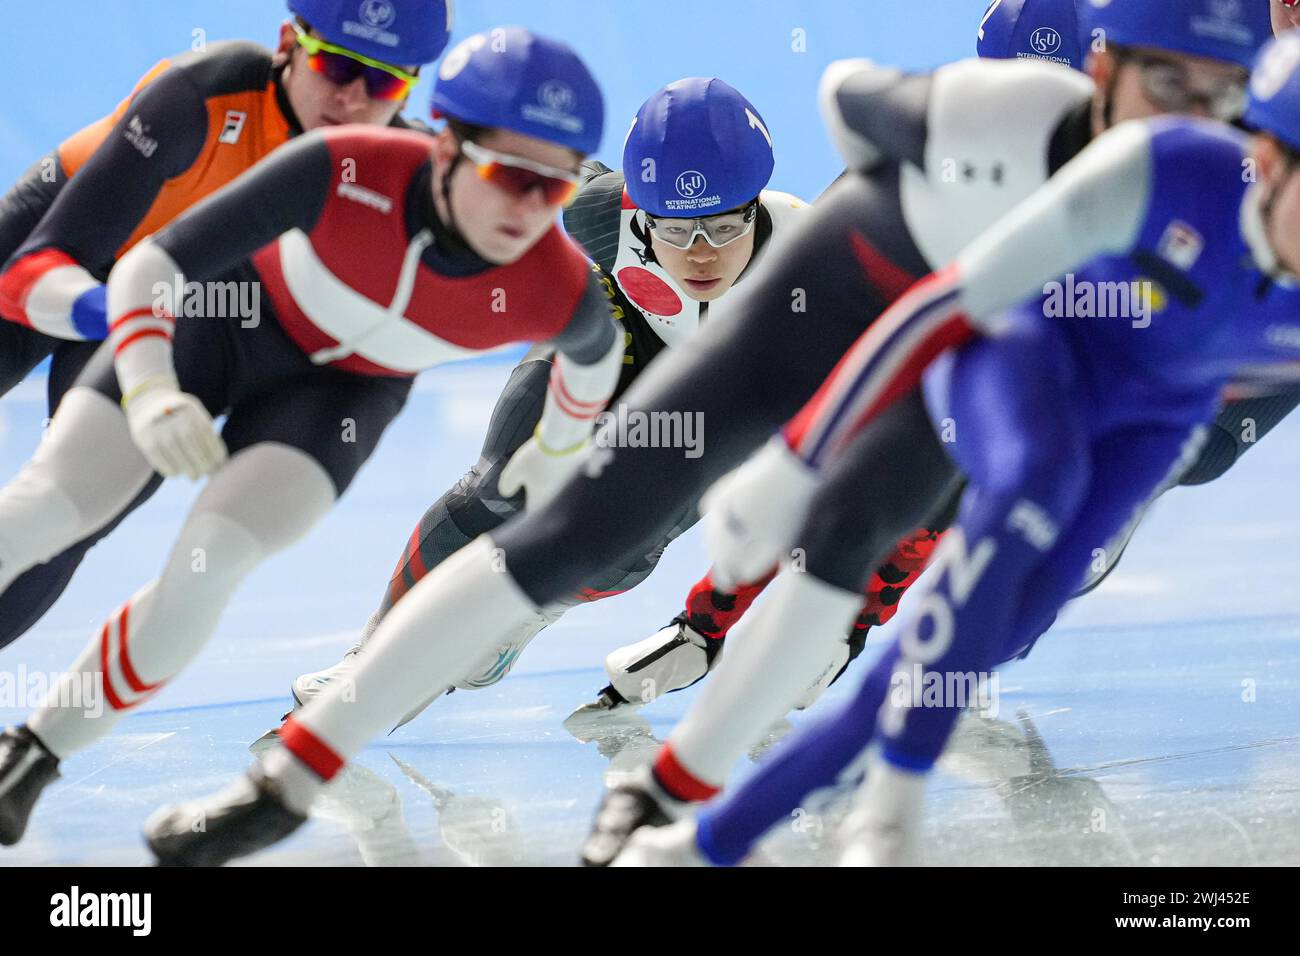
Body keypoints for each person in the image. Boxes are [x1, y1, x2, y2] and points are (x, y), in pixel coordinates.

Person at [134, 0, 1269, 869]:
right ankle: (290, 774)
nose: (1191, 116)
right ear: (1101, 71)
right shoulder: (1003, 118)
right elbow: (912, 243)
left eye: (1222, 98)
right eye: (1165, 81)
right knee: (569, 531)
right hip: (846, 314)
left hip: (961, 365)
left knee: (889, 581)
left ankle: (669, 793)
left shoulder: (1206, 186)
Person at [613, 24, 1300, 867]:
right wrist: (799, 457)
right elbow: (949, 303)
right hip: (1026, 351)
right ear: (1265, 163)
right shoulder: (1163, 167)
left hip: (1157, 416)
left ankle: (714, 840)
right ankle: (886, 802)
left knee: (989, 634)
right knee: (1027, 498)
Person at [0, 26, 617, 853]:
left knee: (208, 574)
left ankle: (27, 762)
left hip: (341, 396)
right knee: (52, 505)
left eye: (556, 188)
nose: (526, 210)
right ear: (444, 146)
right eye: (509, 175)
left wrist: (554, 455)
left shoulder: (552, 281)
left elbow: (598, 360)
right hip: (219, 324)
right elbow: (153, 266)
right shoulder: (347, 164)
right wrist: (147, 389)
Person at [287, 76, 808, 724]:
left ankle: (529, 609)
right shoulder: (596, 213)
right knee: (495, 488)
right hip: (613, 345)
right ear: (640, 211)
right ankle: (372, 656)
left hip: (721, 401)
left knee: (618, 543)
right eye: (673, 231)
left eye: (725, 225)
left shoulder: (810, 256)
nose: (699, 254)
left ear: (757, 204)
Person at [0, 0, 452, 651]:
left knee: (70, 515)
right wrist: (126, 307)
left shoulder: (393, 173)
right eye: (335, 64)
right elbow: (28, 273)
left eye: (382, 81)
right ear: (287, 44)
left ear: (411, 86)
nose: (352, 97)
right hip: (65, 255)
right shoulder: (205, 92)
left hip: (154, 315)